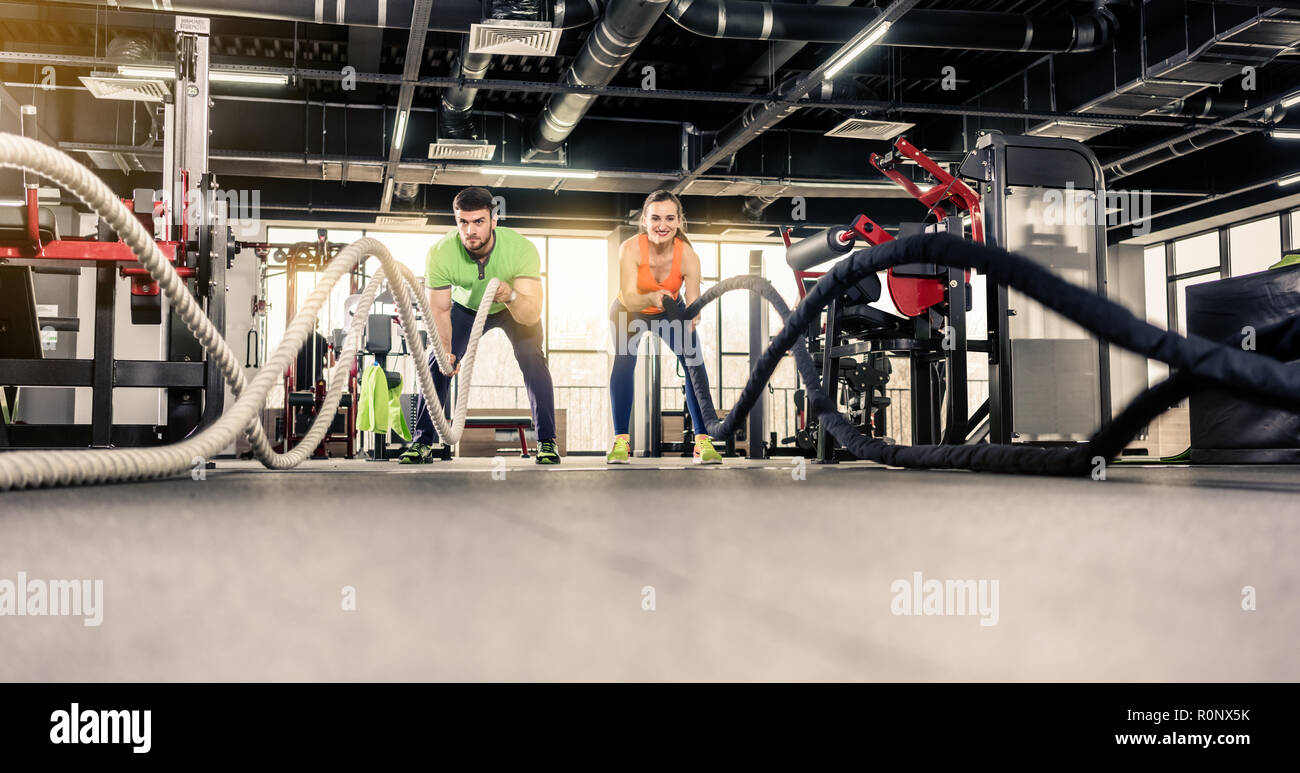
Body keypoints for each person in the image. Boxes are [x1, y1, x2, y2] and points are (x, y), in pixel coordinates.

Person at [401, 187, 560, 464]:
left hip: (513, 305)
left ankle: (547, 442)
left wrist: (510, 295)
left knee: (533, 359)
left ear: (493, 220)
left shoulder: (521, 249)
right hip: (466, 309)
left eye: (478, 222)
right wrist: (447, 351)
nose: (470, 230)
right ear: (456, 221)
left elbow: (532, 313)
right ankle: (422, 442)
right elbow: (439, 309)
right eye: (463, 222)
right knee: (436, 362)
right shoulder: (440, 253)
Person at [606, 190, 721, 465]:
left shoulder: (688, 257)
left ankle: (702, 441)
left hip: (669, 311)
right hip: (628, 310)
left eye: (670, 218)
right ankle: (621, 442)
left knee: (695, 363)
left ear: (679, 221)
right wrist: (653, 296)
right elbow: (632, 296)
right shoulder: (630, 248)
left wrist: (693, 316)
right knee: (624, 361)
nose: (662, 225)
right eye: (655, 218)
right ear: (644, 221)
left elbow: (693, 300)